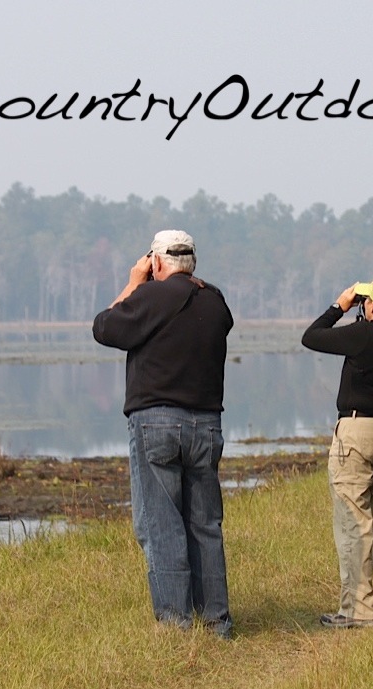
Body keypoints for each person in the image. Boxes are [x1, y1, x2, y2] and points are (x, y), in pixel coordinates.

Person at [91, 229, 235, 638]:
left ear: (156, 262)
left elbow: (104, 327)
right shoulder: (216, 301)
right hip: (206, 424)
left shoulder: (150, 296)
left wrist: (135, 283)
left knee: (161, 524)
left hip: (155, 422)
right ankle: (216, 623)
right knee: (204, 524)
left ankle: (175, 625)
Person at [301, 276, 373, 628]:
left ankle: (358, 610)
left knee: (354, 522)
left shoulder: (364, 335)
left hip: (358, 432)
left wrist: (340, 305)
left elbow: (312, 336)